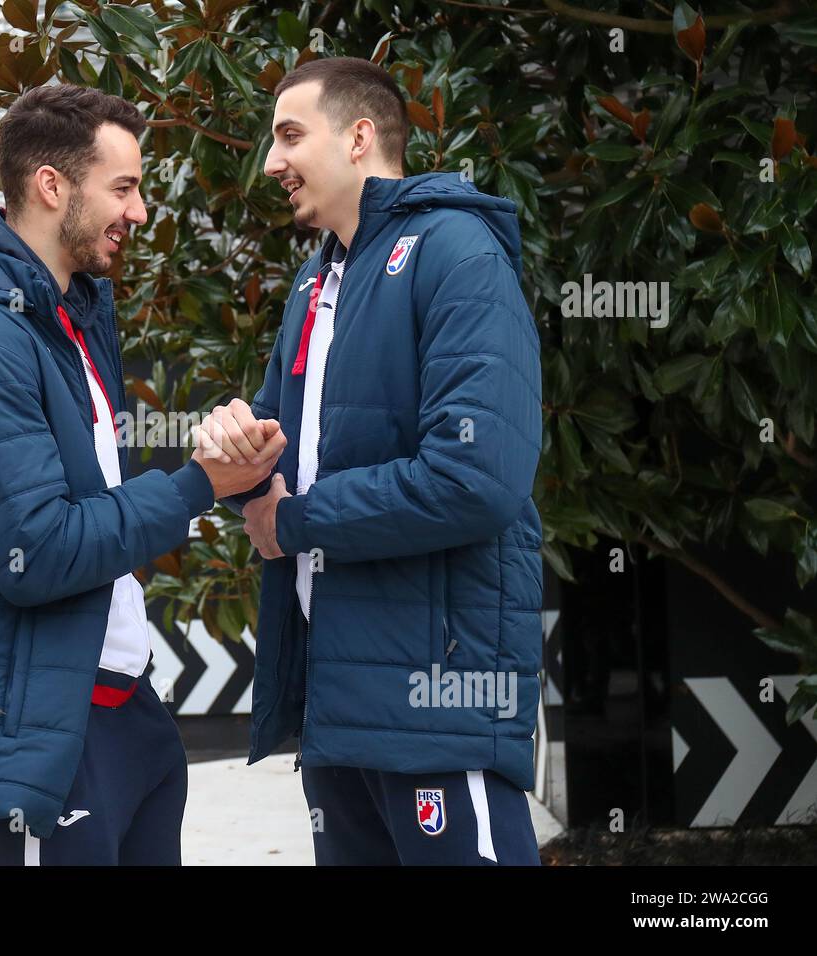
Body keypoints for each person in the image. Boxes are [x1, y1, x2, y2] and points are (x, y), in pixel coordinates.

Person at [0, 84, 283, 865]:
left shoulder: (70, 314)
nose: (139, 212)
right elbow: (40, 552)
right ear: (51, 186)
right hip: (46, 738)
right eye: (123, 189)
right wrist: (199, 485)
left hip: (125, 711)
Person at [205, 56, 544, 865]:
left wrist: (290, 521)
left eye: (290, 135)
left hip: (437, 703)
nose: (271, 162)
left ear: (360, 138)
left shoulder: (457, 250)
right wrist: (233, 447)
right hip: (339, 702)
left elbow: (475, 479)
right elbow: (274, 449)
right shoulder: (317, 278)